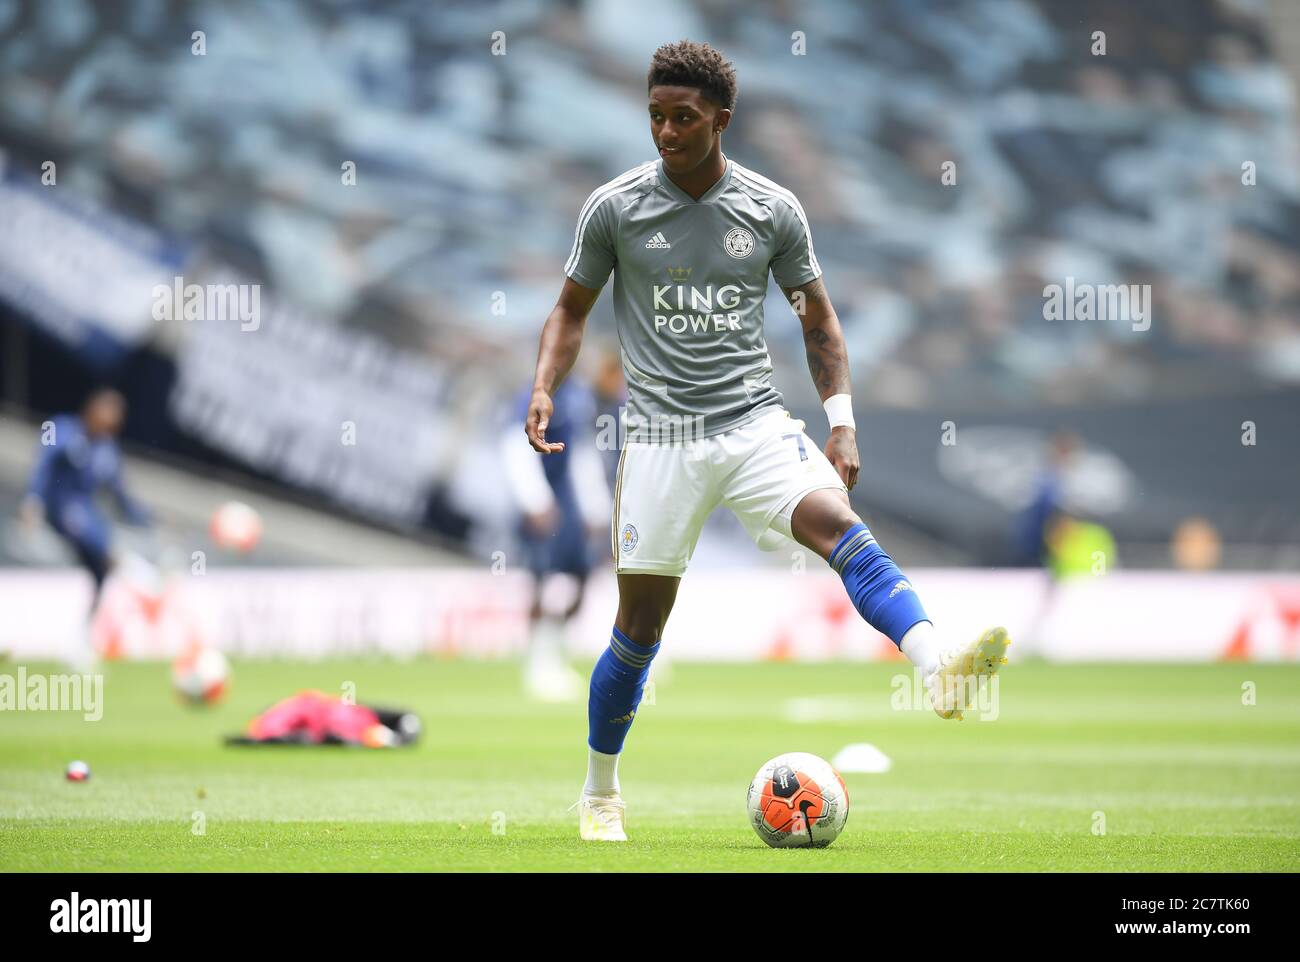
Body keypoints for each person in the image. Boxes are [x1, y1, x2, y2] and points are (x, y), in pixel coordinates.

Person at [522, 41, 1008, 842]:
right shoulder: (614, 207)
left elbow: (818, 321)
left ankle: (936, 666)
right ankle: (600, 790)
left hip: (753, 423)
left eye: (683, 117)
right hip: (661, 438)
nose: (666, 132)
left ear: (722, 118)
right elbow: (571, 311)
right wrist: (546, 385)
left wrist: (842, 420)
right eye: (655, 116)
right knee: (638, 630)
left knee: (845, 532)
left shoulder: (771, 209)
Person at [20, 388, 152, 664]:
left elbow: (120, 496)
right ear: (91, 410)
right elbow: (42, 466)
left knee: (100, 576)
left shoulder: (108, 450)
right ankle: (127, 564)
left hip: (86, 510)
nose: (111, 421)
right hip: (62, 507)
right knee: (93, 532)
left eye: (116, 417)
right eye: (107, 413)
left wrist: (147, 519)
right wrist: (33, 501)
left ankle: (79, 643)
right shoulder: (63, 429)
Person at [502, 374, 611, 701]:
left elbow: (582, 452)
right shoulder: (531, 396)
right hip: (541, 499)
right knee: (542, 581)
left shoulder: (579, 396)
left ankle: (554, 653)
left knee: (581, 575)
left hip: (567, 500)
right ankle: (537, 663)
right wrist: (533, 499)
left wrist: (594, 506)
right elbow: (514, 445)